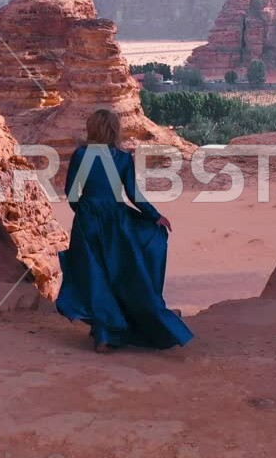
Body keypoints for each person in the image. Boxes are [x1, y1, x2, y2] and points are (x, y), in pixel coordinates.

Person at [55, 109, 193, 352]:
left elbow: (72, 193)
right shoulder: (122, 157)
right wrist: (155, 216)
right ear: (114, 129)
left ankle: (104, 333)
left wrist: (86, 211)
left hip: (88, 220)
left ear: (92, 128)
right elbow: (133, 193)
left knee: (94, 275)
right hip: (115, 221)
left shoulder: (81, 155)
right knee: (119, 272)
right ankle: (122, 326)